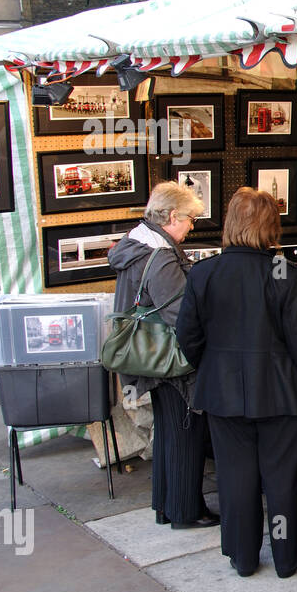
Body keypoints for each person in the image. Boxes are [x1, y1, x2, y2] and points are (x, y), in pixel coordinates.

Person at [175, 187, 297, 578]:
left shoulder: (204, 272)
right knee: (280, 478)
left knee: (235, 477)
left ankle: (242, 556)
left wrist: (211, 367)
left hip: (222, 393)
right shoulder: (283, 272)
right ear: (269, 226)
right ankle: (286, 556)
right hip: (280, 393)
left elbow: (188, 336)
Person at [107, 181, 217, 529]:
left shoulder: (137, 244)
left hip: (150, 357)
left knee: (169, 432)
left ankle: (167, 505)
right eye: (189, 219)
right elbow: (180, 316)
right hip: (171, 361)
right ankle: (186, 511)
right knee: (186, 431)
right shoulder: (161, 256)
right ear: (172, 216)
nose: (191, 226)